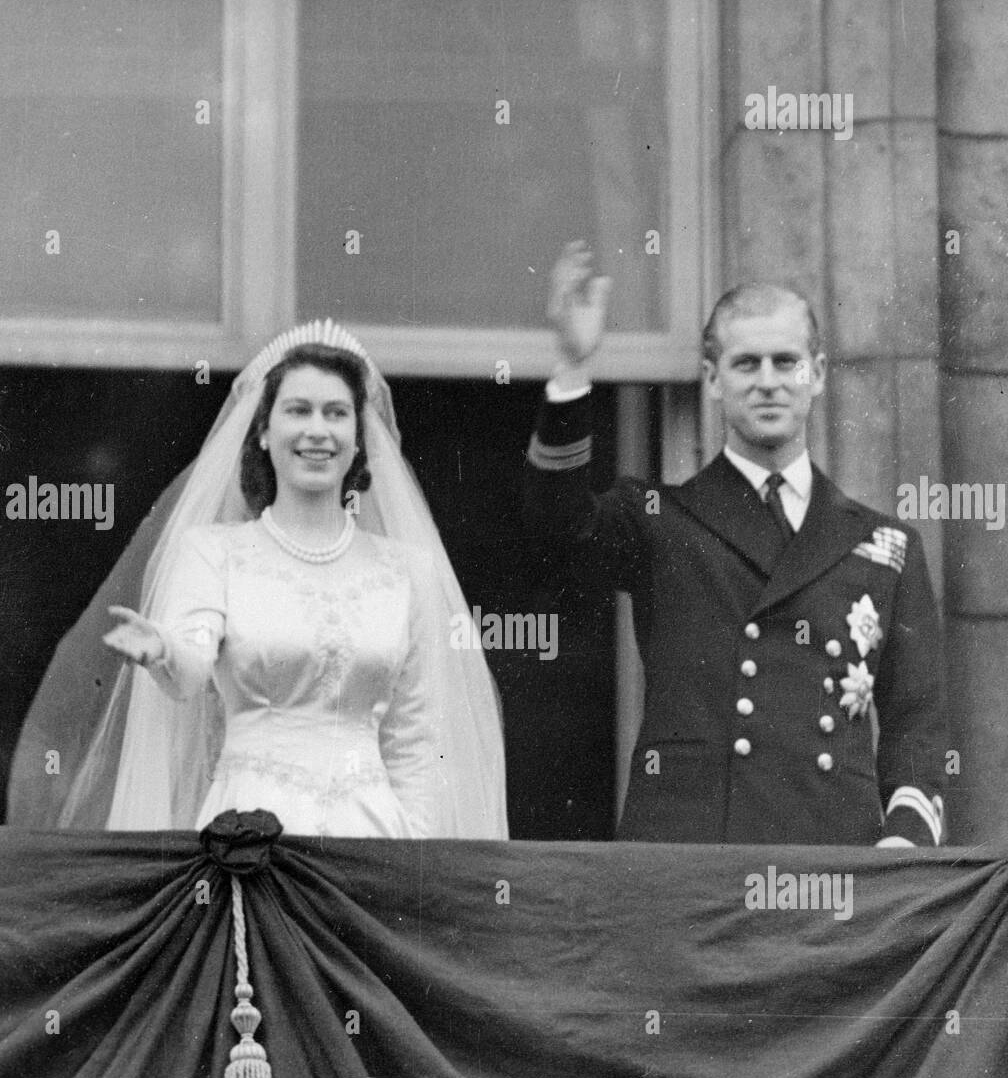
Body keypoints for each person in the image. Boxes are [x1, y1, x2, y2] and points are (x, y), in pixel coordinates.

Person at [9, 320, 508, 838]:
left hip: (374, 840)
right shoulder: (214, 552)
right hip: (250, 837)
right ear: (264, 431)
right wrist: (163, 650)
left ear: (358, 438)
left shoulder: (408, 571)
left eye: (336, 414)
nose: (318, 430)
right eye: (298, 410)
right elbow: (190, 666)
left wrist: (413, 870)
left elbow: (417, 737)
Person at [523, 242, 948, 847]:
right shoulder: (661, 519)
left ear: (818, 374)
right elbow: (553, 532)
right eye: (747, 365)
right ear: (713, 380)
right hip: (690, 855)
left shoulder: (886, 544)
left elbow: (917, 722)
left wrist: (903, 842)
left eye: (787, 362)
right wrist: (571, 367)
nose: (769, 383)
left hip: (832, 865)